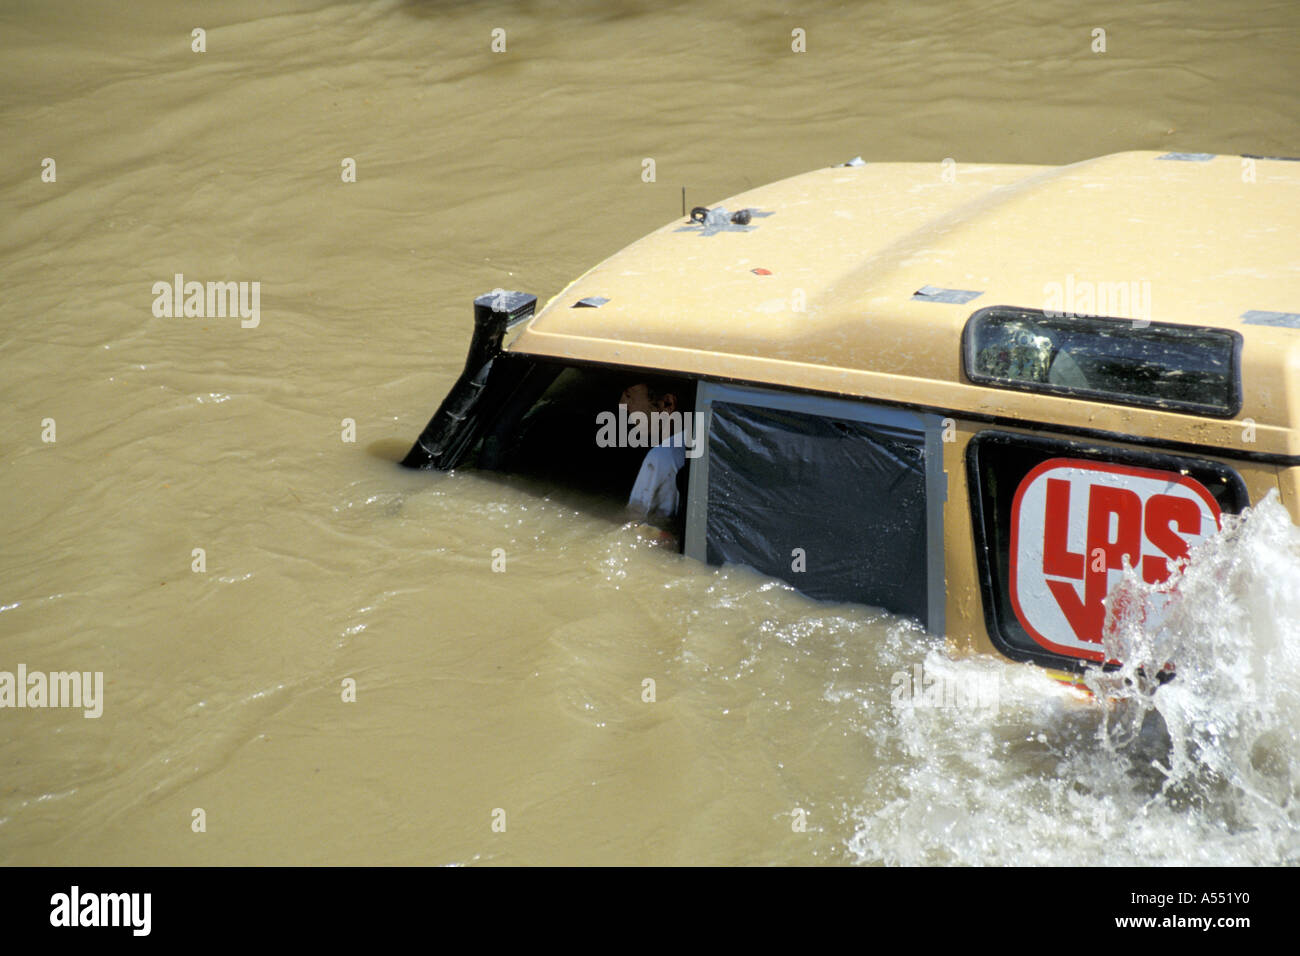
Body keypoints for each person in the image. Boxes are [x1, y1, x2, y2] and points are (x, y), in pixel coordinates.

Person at [618, 379, 691, 532]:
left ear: (667, 404)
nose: (622, 404)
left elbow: (639, 528)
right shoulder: (692, 444)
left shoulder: (663, 456)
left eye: (629, 396)